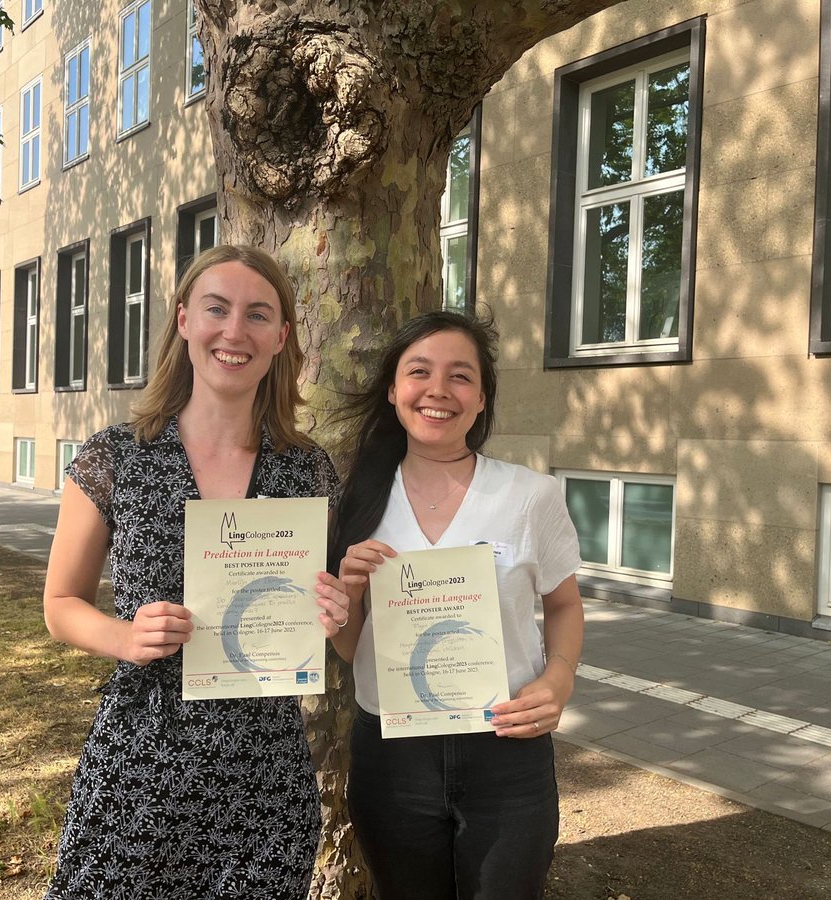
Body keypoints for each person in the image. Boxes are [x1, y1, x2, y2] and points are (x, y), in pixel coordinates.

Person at [43, 245, 350, 900]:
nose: (235, 331)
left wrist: (334, 611)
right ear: (184, 320)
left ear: (281, 337)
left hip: (264, 781)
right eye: (217, 309)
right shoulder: (116, 457)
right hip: (139, 764)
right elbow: (60, 604)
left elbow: (327, 623)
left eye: (258, 315)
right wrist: (125, 636)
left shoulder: (308, 470)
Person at [328, 310, 584, 900]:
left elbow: (565, 605)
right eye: (419, 371)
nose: (438, 389)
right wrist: (350, 597)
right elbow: (349, 647)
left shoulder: (530, 495)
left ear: (482, 397)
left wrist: (559, 679)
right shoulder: (358, 498)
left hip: (506, 749)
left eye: (460, 376)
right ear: (393, 389)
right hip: (392, 753)